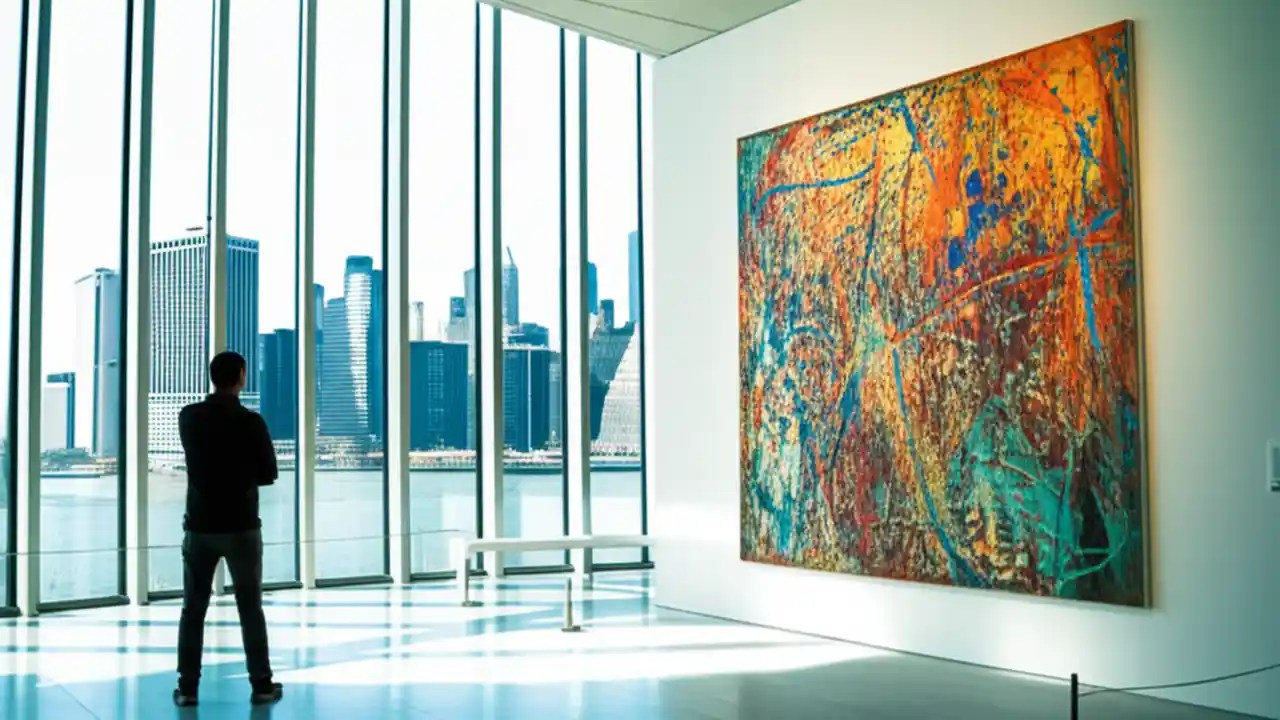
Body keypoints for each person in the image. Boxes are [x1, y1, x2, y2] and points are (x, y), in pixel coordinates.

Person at [173, 351, 283, 707]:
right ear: (241, 376)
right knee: (250, 608)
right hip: (242, 527)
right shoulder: (252, 423)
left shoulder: (188, 417)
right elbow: (269, 474)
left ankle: (188, 688)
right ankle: (261, 685)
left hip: (201, 525)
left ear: (212, 376)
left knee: (194, 609)